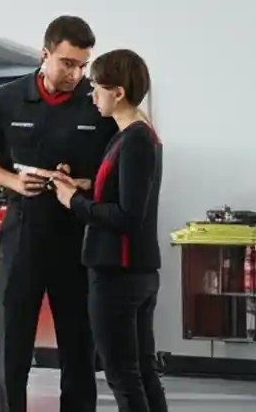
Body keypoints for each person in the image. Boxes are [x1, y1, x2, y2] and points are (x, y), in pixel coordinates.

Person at [0, 15, 118, 412]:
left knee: (79, 347)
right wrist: (14, 182)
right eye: (68, 63)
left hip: (77, 238)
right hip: (21, 236)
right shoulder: (5, 100)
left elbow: (115, 171)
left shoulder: (96, 103)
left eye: (82, 65)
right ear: (45, 54)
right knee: (11, 347)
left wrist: (82, 184)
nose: (76, 73)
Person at [47, 49, 168, 412]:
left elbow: (128, 216)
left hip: (119, 275)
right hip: (134, 273)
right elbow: (126, 193)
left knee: (123, 375)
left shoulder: (134, 140)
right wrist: (86, 186)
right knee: (141, 371)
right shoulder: (134, 136)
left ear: (118, 93)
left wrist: (74, 202)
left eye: (97, 88)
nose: (92, 95)